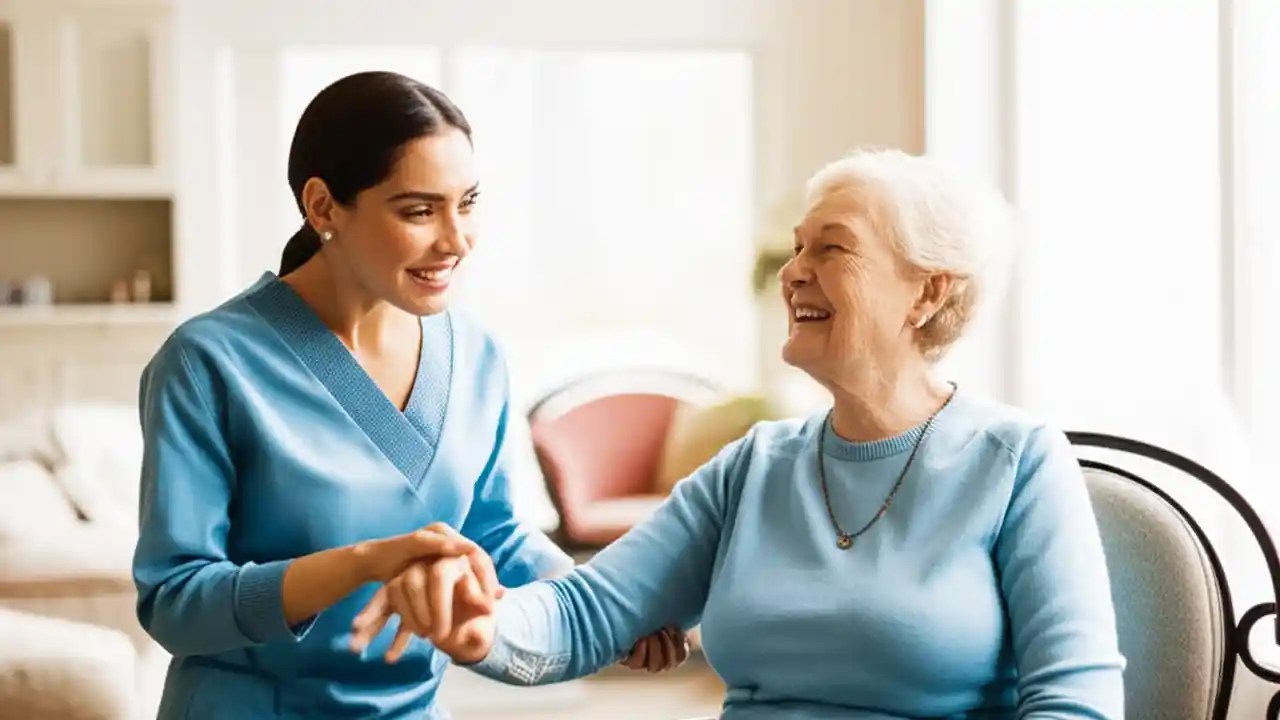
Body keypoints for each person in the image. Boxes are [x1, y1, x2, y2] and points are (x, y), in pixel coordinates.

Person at [353, 148, 1127, 719]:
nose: (793, 271)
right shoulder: (756, 467)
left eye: (832, 247)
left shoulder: (1017, 462)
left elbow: (1074, 703)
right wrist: (479, 621)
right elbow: (586, 612)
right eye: (797, 245)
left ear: (927, 292)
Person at [132, 70, 683, 720]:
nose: (457, 240)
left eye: (467, 203)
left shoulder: (475, 355)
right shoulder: (207, 363)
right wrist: (366, 563)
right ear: (323, 207)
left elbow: (493, 535)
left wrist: (608, 607)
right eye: (420, 211)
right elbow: (175, 601)